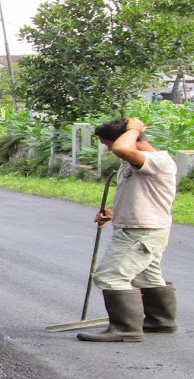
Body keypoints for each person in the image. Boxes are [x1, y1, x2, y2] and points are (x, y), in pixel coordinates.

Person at [76, 117, 178, 343]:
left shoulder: (157, 160)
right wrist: (112, 212)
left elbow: (122, 148)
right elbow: (140, 193)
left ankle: (125, 328)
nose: (109, 149)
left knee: (110, 276)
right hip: (140, 227)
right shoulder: (132, 163)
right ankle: (160, 321)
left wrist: (133, 128)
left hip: (142, 230)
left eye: (107, 143)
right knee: (147, 276)